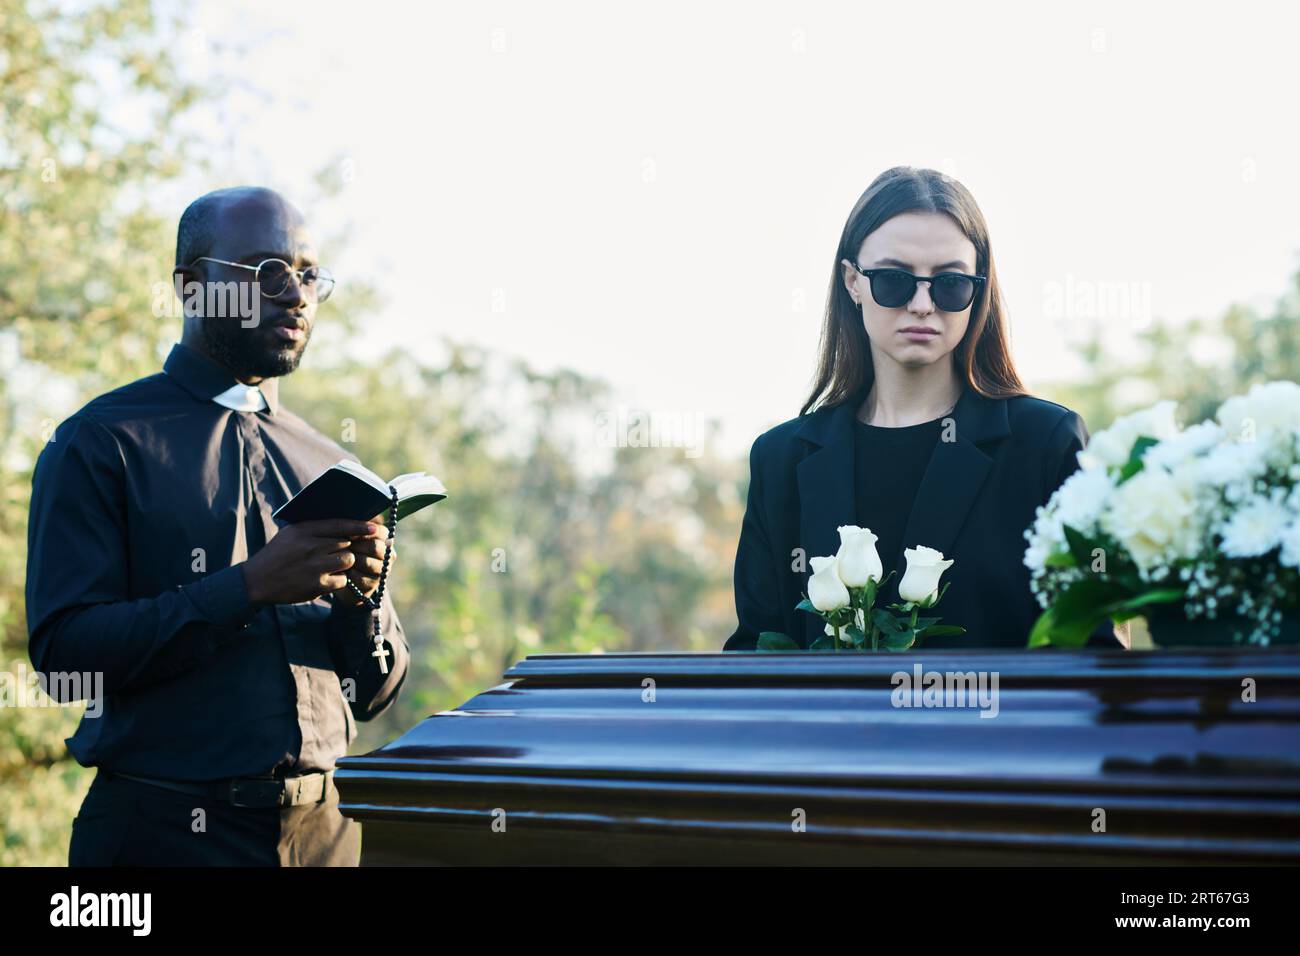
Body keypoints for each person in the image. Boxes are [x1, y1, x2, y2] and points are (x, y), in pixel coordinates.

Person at [26, 186, 411, 865]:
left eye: (309, 274)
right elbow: (65, 661)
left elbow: (374, 693)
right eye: (268, 272)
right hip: (163, 837)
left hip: (329, 838)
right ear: (192, 286)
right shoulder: (101, 441)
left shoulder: (332, 462)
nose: (295, 294)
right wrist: (248, 588)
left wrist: (364, 604)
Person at [726, 166, 1124, 651]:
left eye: (949, 283)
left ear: (978, 291)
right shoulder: (781, 459)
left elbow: (1095, 651)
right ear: (852, 282)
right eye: (894, 280)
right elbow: (756, 657)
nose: (921, 304)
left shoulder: (1045, 443)